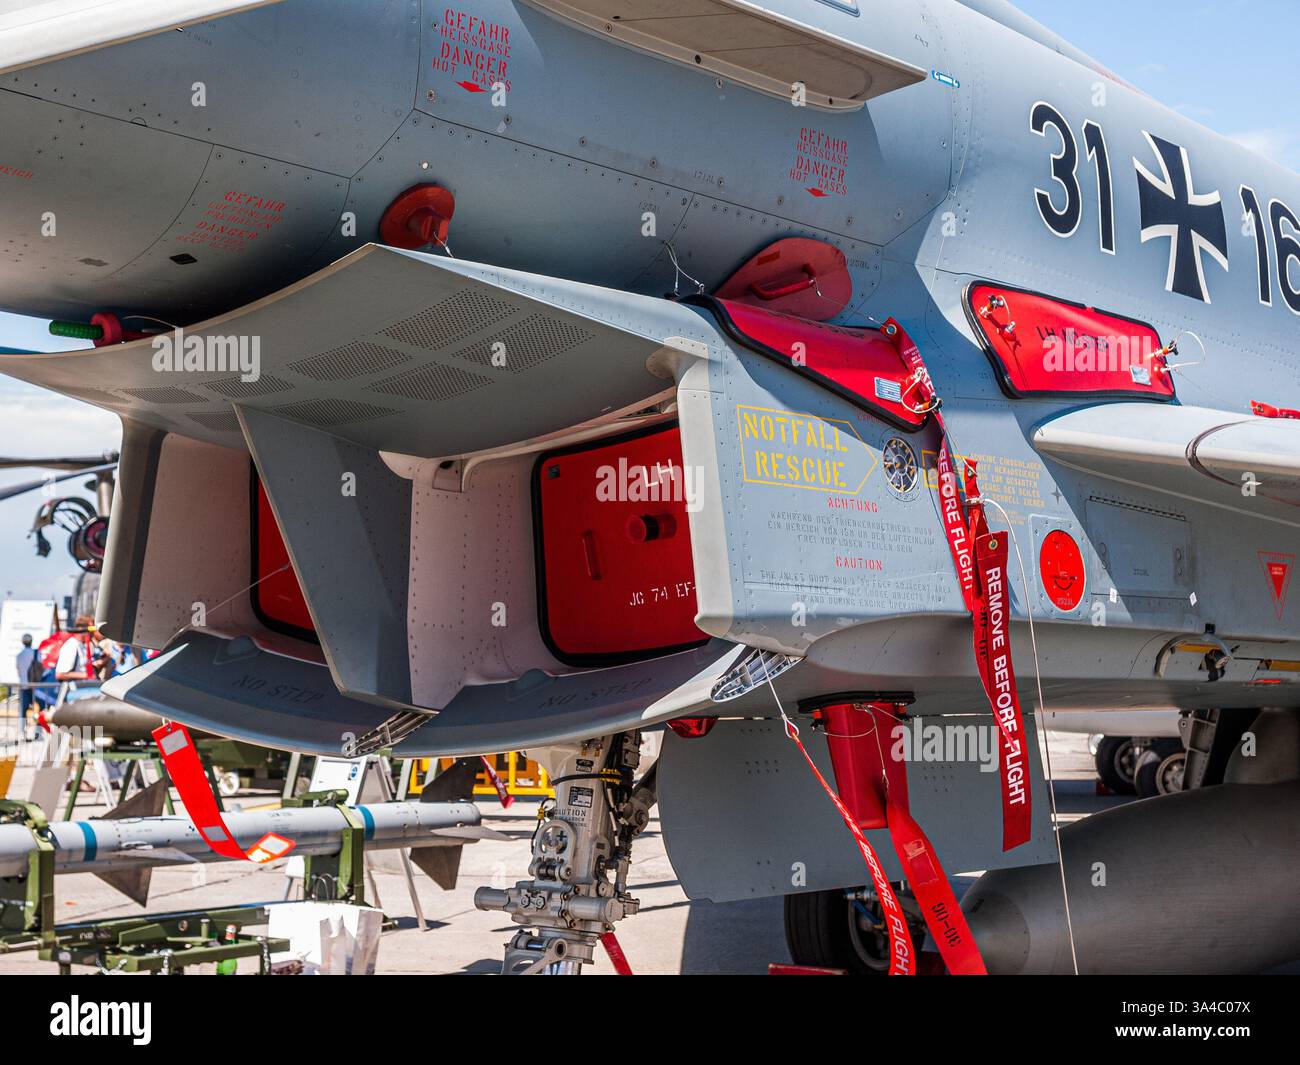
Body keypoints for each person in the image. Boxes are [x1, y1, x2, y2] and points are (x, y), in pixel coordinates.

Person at [15, 633, 39, 738]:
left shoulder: (19, 655)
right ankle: (37, 732)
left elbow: (19, 670)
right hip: (35, 685)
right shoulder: (36, 653)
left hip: (23, 684)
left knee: (23, 709)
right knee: (37, 709)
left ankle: (21, 732)